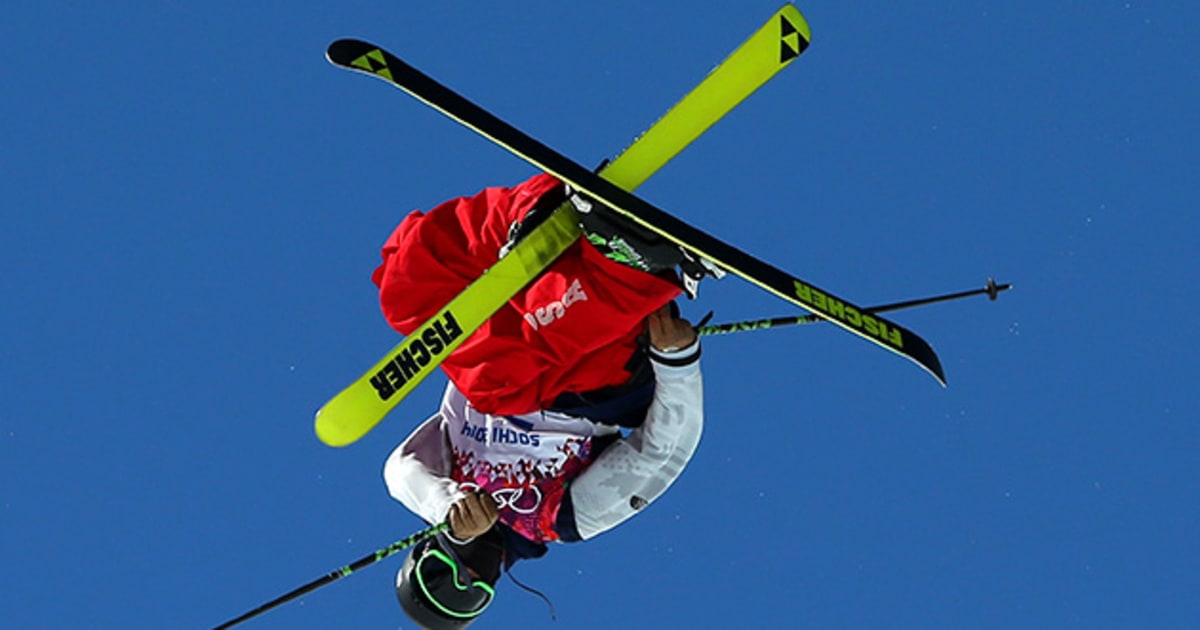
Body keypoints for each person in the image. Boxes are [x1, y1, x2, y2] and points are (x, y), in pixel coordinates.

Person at [373, 173, 710, 628]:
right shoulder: (562, 518)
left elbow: (399, 472)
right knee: (496, 382)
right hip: (588, 381)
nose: (469, 575)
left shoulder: (442, 484)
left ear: (429, 551)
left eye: (441, 577)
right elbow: (663, 453)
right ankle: (630, 263)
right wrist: (676, 360)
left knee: (402, 294)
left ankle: (534, 214)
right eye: (470, 598)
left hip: (509, 339)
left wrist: (448, 509)